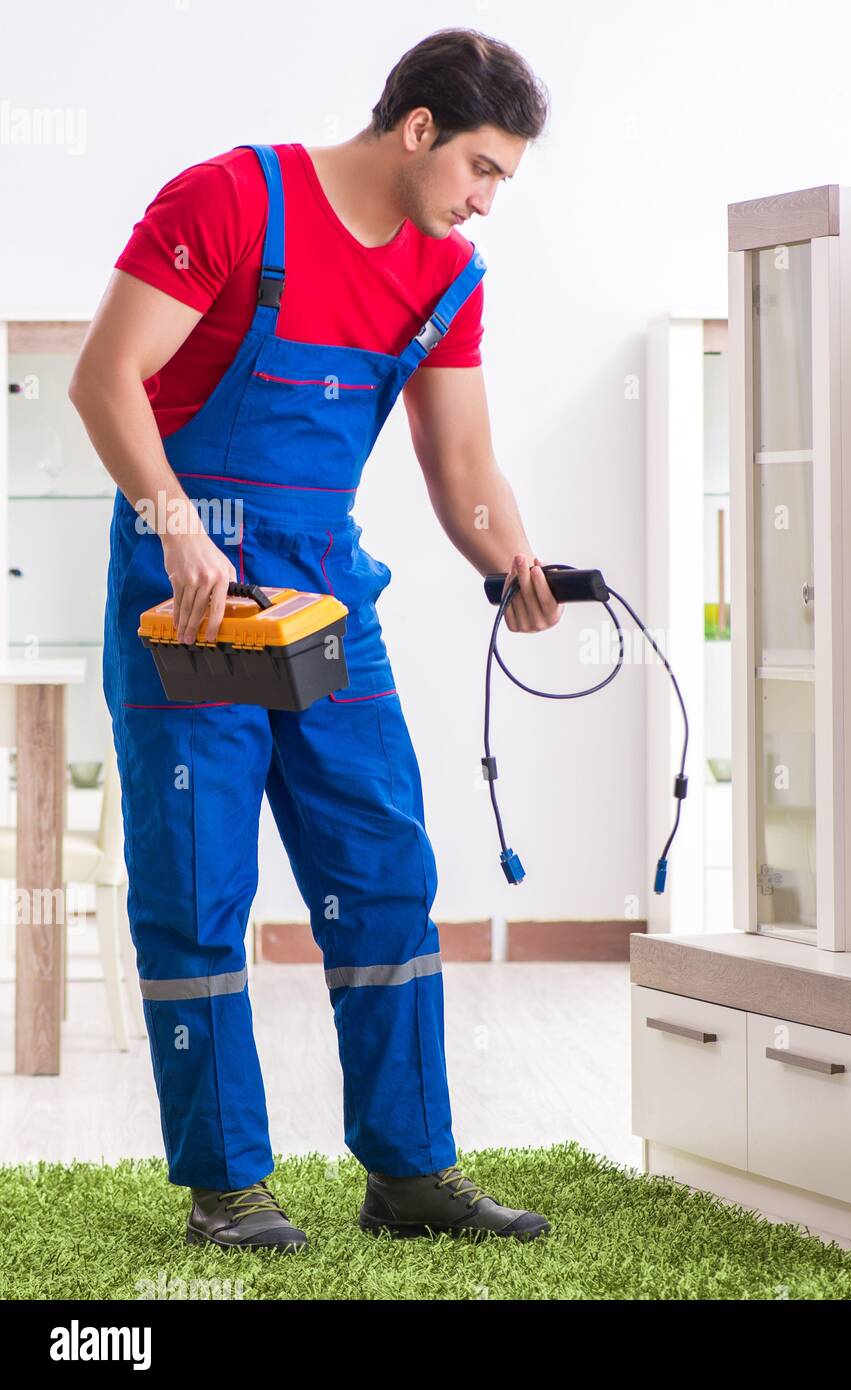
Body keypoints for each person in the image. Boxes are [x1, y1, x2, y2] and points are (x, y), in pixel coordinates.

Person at [68, 28, 559, 1251]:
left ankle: (409, 1173)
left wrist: (513, 561)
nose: (485, 202)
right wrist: (174, 523)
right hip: (186, 586)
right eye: (483, 170)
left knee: (383, 866)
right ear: (417, 130)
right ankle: (226, 1185)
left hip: (325, 591)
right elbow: (105, 377)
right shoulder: (232, 199)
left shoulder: (447, 274)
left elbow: (460, 462)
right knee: (196, 883)